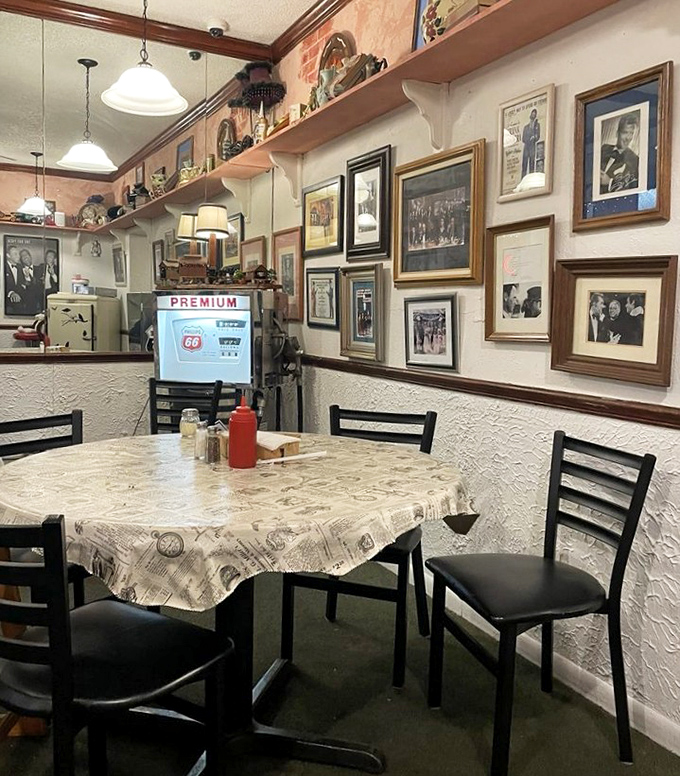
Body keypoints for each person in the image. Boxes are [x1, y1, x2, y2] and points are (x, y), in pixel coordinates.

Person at [600, 113, 640, 195]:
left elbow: (632, 188)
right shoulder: (604, 148)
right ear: (617, 133)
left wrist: (609, 182)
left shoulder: (635, 160)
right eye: (625, 132)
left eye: (631, 133)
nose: (628, 138)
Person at [4, 245, 26, 316]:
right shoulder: (2, 267)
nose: (18, 256)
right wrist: (11, 293)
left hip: (20, 302)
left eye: (18, 254)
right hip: (5, 303)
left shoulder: (20, 267)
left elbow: (24, 284)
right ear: (8, 255)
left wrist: (27, 277)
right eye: (15, 254)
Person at [521, 108, 541, 178]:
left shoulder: (537, 126)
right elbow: (523, 139)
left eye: (534, 115)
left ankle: (531, 180)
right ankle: (523, 180)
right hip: (526, 147)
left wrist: (534, 137)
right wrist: (528, 140)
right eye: (532, 115)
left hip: (532, 147)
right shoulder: (526, 127)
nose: (533, 116)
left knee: (532, 164)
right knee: (524, 164)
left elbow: (538, 136)